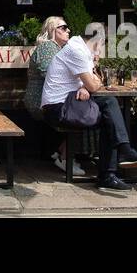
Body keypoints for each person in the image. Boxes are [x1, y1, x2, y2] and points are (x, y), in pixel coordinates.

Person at [40, 21, 137, 190]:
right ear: (99, 40)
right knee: (109, 104)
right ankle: (121, 155)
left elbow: (96, 78)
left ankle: (110, 171)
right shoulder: (77, 50)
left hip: (69, 102)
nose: (103, 46)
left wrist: (86, 85)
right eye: (104, 42)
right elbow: (94, 84)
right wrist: (89, 84)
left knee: (109, 118)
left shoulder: (81, 49)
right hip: (57, 108)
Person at [24, 17, 86, 177]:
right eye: (64, 28)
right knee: (83, 111)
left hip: (53, 98)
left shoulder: (58, 49)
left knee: (86, 107)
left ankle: (62, 152)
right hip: (40, 101)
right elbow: (52, 77)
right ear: (53, 30)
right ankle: (65, 158)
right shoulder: (47, 48)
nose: (68, 31)